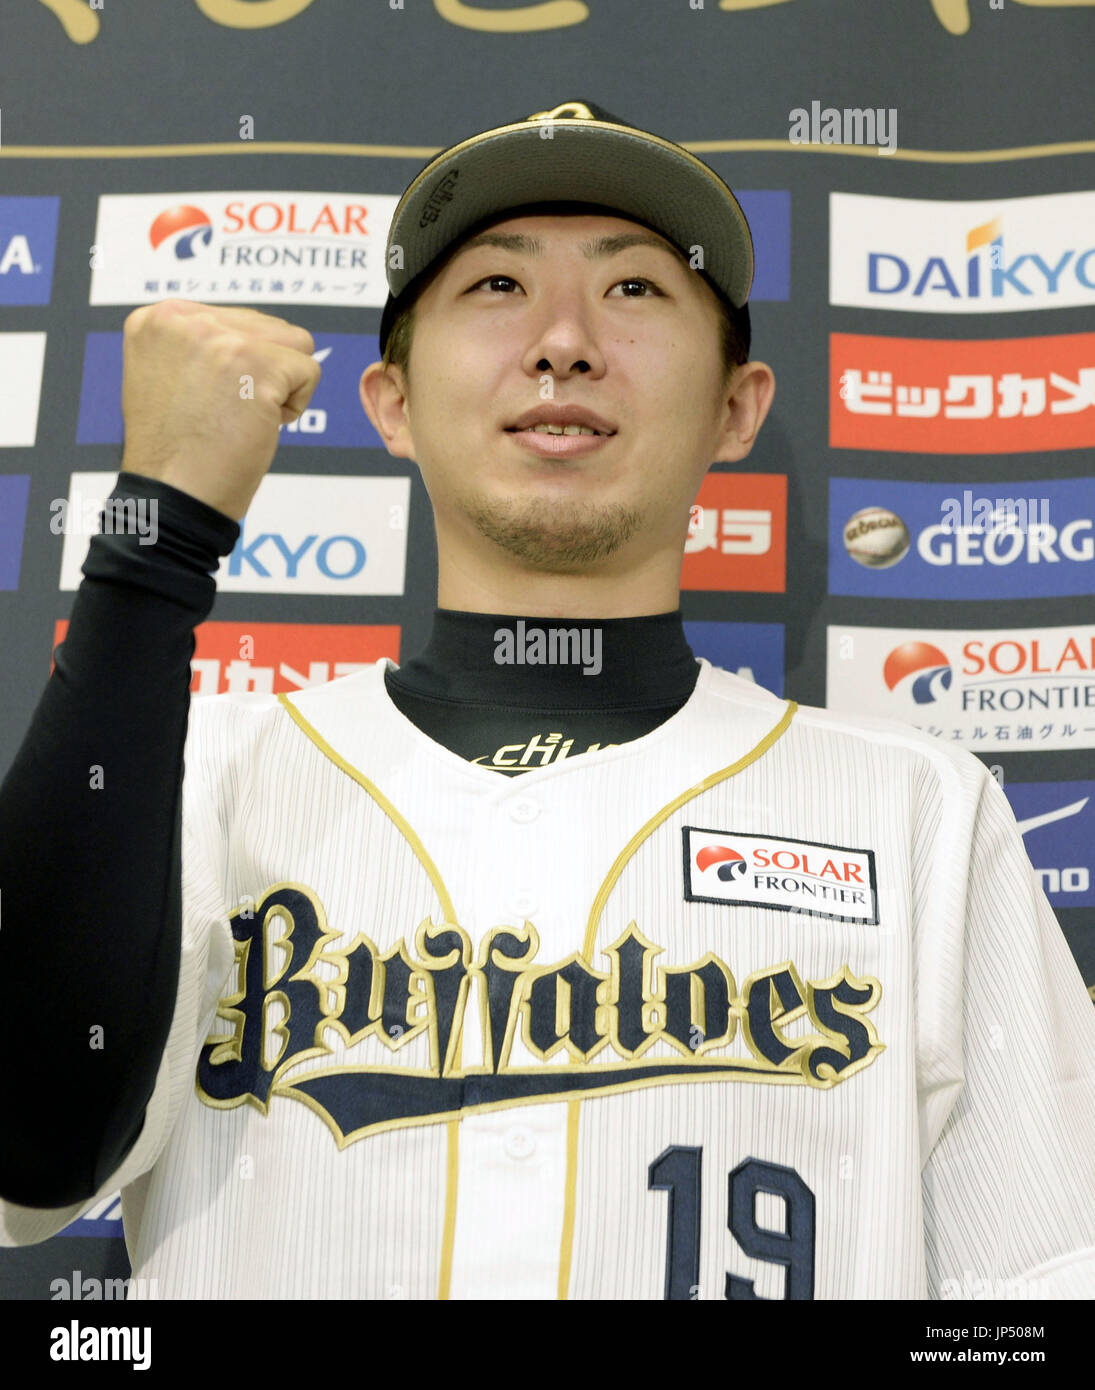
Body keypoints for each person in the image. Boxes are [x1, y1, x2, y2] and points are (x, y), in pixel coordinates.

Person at [0, 100, 1092, 1301]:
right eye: (495, 288)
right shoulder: (198, 772)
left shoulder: (920, 814)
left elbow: (1037, 1289)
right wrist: (155, 544)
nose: (565, 340)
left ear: (738, 406)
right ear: (393, 404)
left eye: (634, 290)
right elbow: (27, 1159)